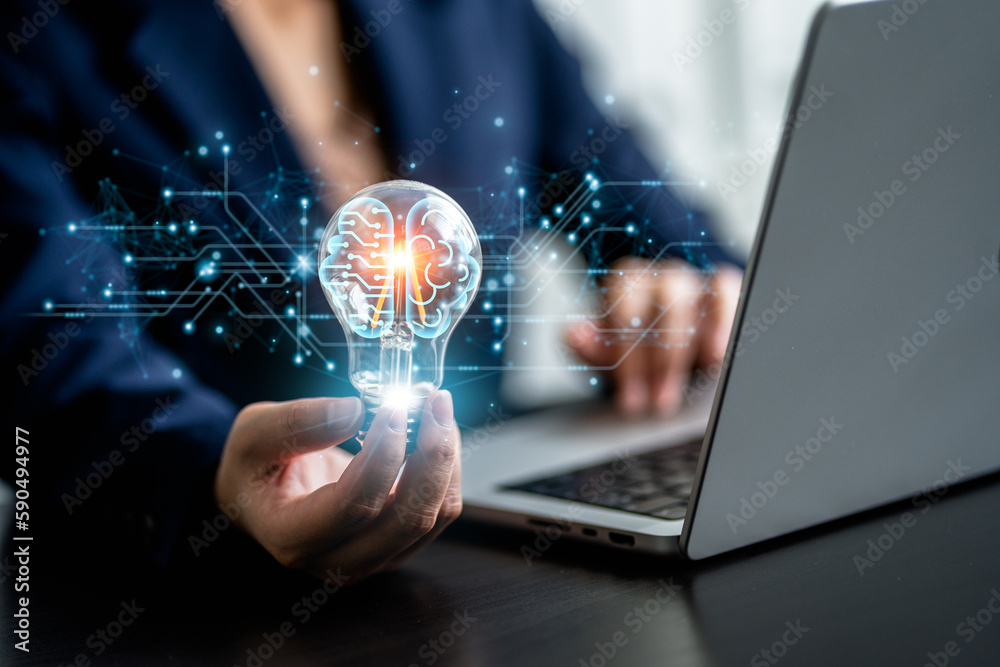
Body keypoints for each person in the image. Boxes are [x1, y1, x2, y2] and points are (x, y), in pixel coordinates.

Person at [0, 0, 741, 585]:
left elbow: (667, 229)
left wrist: (688, 304)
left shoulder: (478, 12)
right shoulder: (37, 31)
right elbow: (45, 346)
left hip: (496, 558)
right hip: (178, 594)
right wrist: (214, 468)